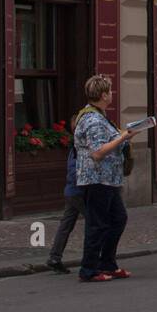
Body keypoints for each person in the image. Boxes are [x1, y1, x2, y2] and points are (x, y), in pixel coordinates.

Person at [74, 75, 135, 283]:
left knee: (118, 219)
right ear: (102, 95)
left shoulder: (100, 116)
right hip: (96, 179)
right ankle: (88, 269)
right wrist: (122, 138)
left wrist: (123, 137)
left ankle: (107, 262)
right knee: (97, 224)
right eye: (109, 91)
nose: (112, 94)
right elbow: (97, 152)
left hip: (108, 179)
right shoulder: (93, 120)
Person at [47, 113, 98, 274]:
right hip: (79, 191)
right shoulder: (80, 147)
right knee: (95, 223)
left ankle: (55, 257)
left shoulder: (75, 145)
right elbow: (77, 171)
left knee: (66, 224)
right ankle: (92, 260)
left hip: (71, 190)